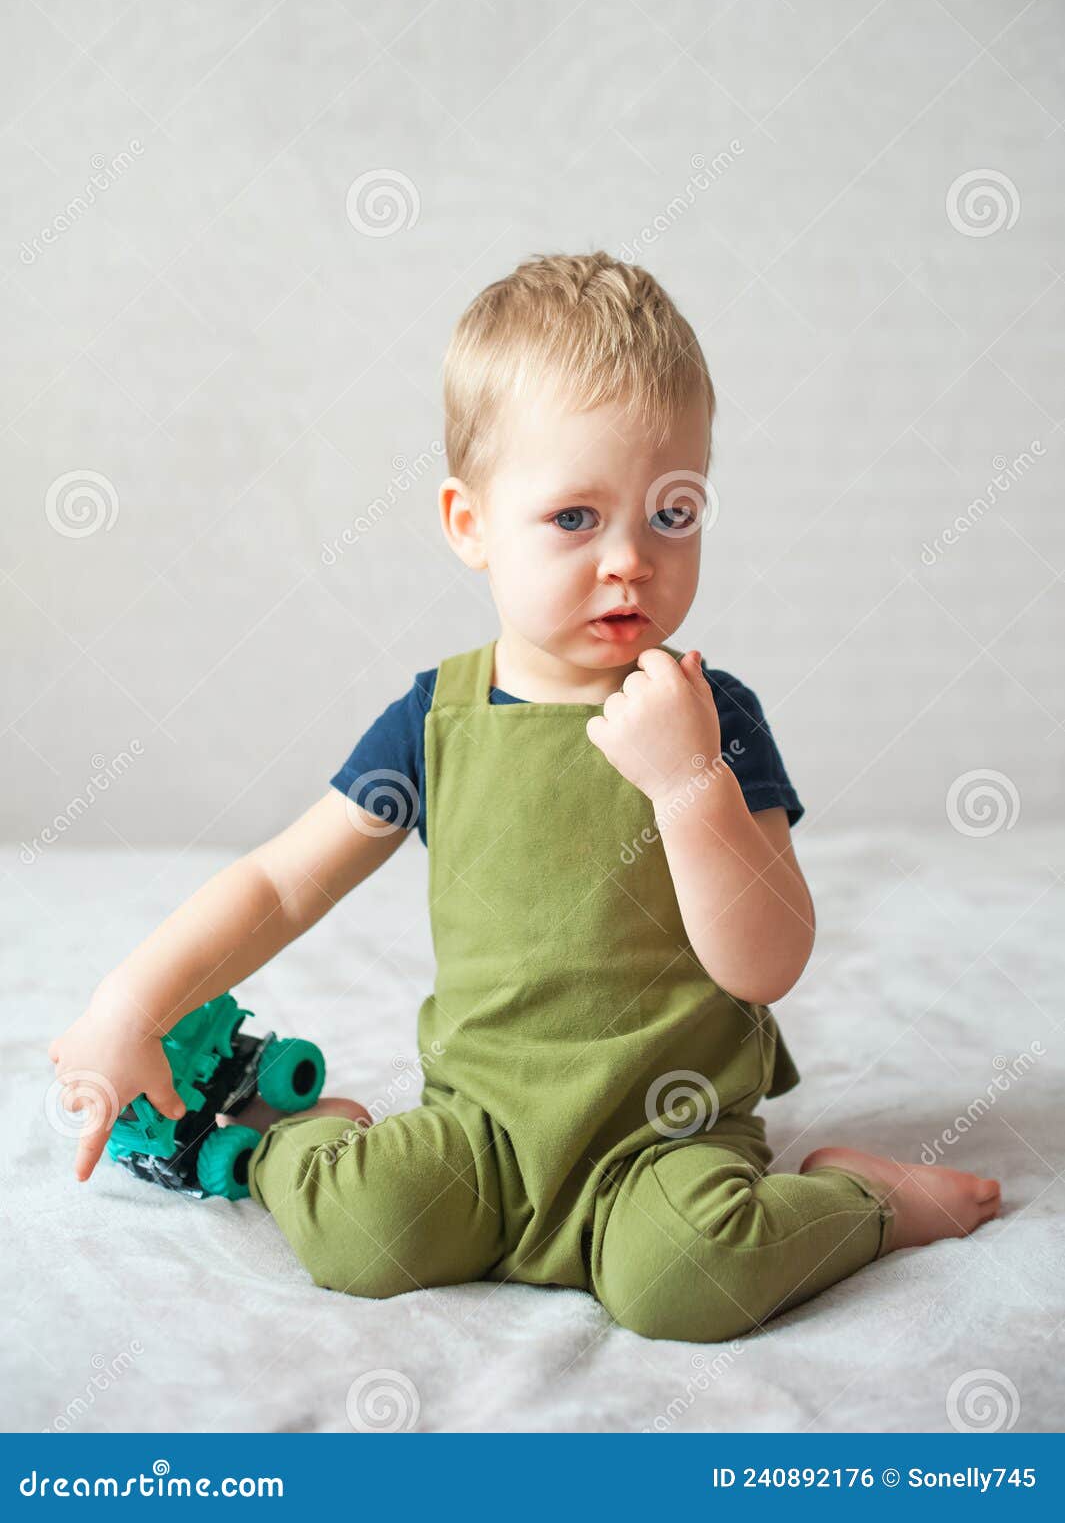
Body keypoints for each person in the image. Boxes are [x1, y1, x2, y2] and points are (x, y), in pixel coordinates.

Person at [49, 252, 1000, 1342]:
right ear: (470, 523)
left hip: (667, 1134)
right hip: (484, 1129)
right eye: (575, 518)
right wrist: (130, 1006)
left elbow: (770, 961)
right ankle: (283, 1138)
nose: (630, 560)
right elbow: (280, 885)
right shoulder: (436, 721)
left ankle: (864, 1199)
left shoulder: (711, 716)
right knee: (365, 1232)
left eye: (672, 513)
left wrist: (689, 782)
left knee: (688, 1282)